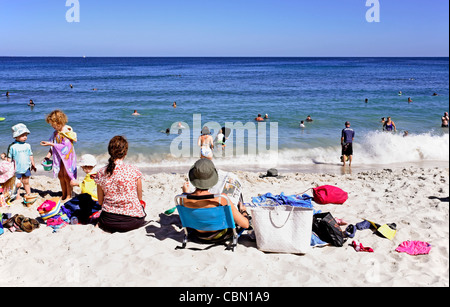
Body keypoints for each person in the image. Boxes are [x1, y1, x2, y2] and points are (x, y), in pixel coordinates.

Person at [180, 159, 250, 241]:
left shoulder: (183, 198)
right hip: (219, 234)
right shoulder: (222, 199)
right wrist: (243, 211)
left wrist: (185, 192)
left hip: (197, 233)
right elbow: (245, 225)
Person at [94, 135, 147, 233]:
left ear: (109, 152)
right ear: (125, 153)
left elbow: (100, 202)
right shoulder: (134, 170)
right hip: (132, 221)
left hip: (107, 221)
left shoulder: (101, 172)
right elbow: (139, 198)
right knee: (142, 205)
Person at [40, 110, 78, 202]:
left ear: (60, 122)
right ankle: (64, 193)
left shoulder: (66, 132)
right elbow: (53, 147)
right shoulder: (55, 133)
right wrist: (47, 156)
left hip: (67, 158)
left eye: (54, 124)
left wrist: (52, 144)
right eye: (51, 124)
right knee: (61, 176)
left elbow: (66, 147)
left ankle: (69, 194)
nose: (52, 126)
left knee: (67, 176)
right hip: (59, 158)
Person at [7, 123, 37, 201]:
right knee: (18, 183)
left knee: (26, 181)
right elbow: (9, 158)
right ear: (16, 136)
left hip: (26, 167)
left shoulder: (27, 145)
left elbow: (30, 155)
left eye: (26, 135)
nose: (25, 137)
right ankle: (18, 196)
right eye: (22, 135)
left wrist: (33, 164)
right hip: (16, 169)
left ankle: (28, 193)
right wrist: (8, 167)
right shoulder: (12, 146)